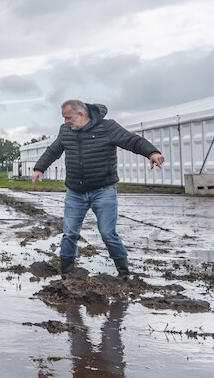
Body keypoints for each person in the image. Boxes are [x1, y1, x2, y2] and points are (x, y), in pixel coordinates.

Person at [31, 100, 164, 278]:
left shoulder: (107, 127)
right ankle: (67, 273)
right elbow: (53, 150)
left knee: (107, 233)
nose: (66, 122)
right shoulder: (66, 131)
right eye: (64, 118)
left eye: (68, 118)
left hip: (103, 189)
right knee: (69, 232)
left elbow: (131, 140)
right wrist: (39, 168)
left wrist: (152, 152)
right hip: (75, 191)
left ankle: (124, 273)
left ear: (81, 114)